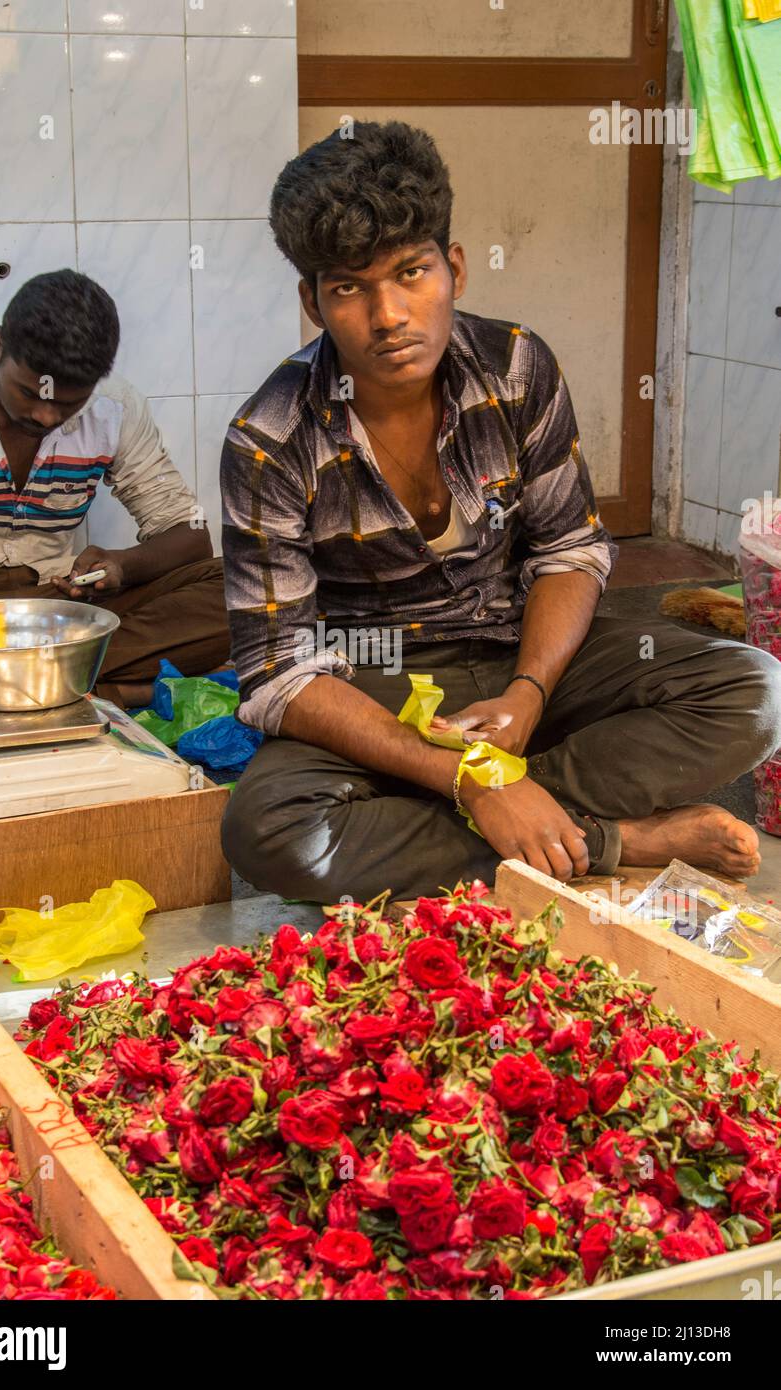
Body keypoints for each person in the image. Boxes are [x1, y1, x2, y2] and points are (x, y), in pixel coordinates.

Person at [219, 120, 781, 904]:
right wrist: (472, 780)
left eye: (411, 273)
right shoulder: (268, 440)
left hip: (524, 663)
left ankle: (521, 818)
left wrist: (528, 694)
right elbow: (280, 674)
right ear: (313, 303)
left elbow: (569, 553)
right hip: (377, 673)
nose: (388, 316)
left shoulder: (517, 368)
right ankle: (612, 839)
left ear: (454, 268)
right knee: (268, 831)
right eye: (349, 287)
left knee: (756, 691)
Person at [0, 269, 229, 706]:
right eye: (29, 393)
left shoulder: (114, 409)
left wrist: (122, 567)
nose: (45, 417)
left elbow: (190, 534)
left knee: (240, 589)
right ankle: (83, 685)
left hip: (51, 608)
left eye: (67, 403)